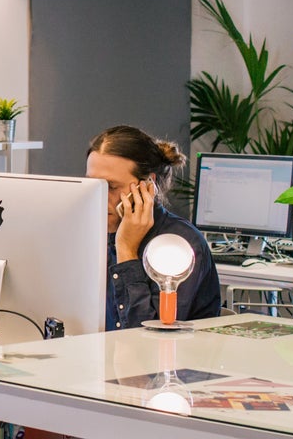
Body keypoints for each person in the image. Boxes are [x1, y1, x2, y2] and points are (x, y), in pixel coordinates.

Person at [86, 125, 220, 330]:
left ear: (148, 185)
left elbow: (148, 339)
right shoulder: (91, 233)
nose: (100, 196)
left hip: (167, 360)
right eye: (93, 185)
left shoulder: (179, 244)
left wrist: (126, 249)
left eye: (111, 187)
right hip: (99, 356)